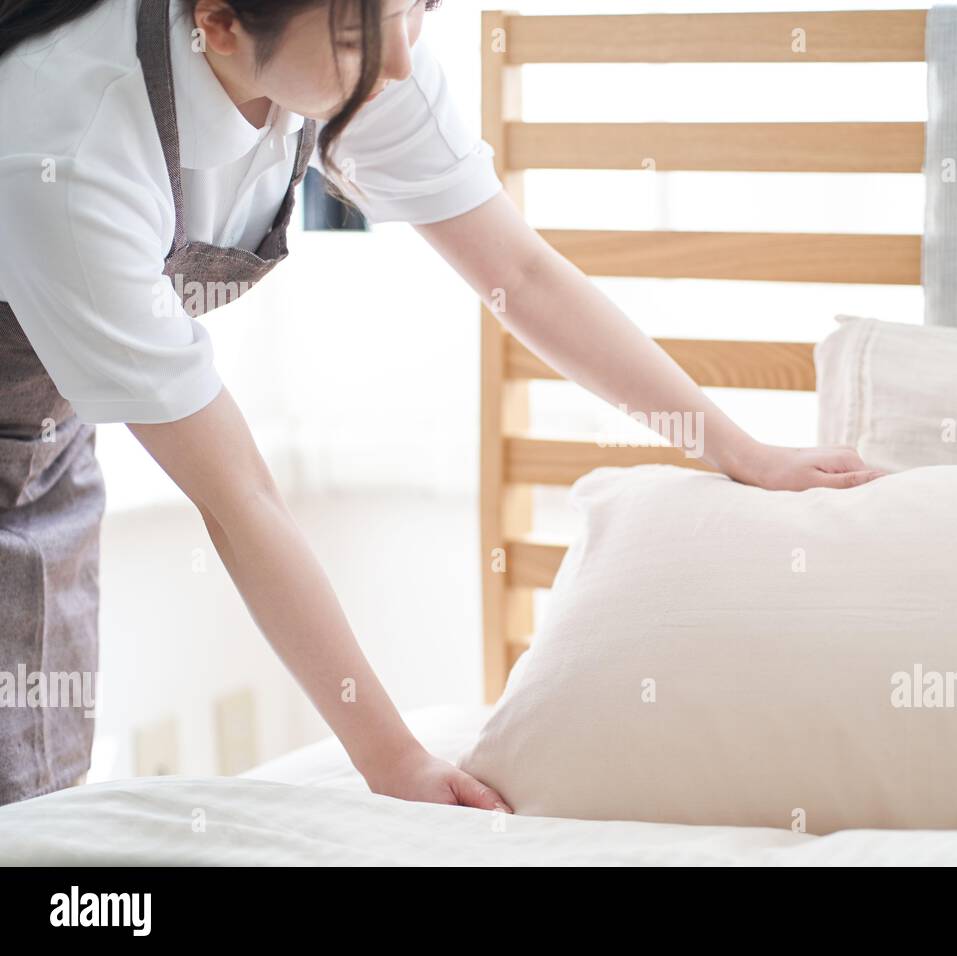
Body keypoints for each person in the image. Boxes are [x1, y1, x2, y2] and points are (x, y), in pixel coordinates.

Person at [0, 0, 882, 808]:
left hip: (43, 447)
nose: (399, 61)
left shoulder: (356, 42)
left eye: (417, 9)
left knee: (39, 799)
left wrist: (740, 451)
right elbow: (240, 498)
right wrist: (393, 763)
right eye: (359, 40)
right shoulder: (68, 144)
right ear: (221, 24)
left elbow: (521, 275)